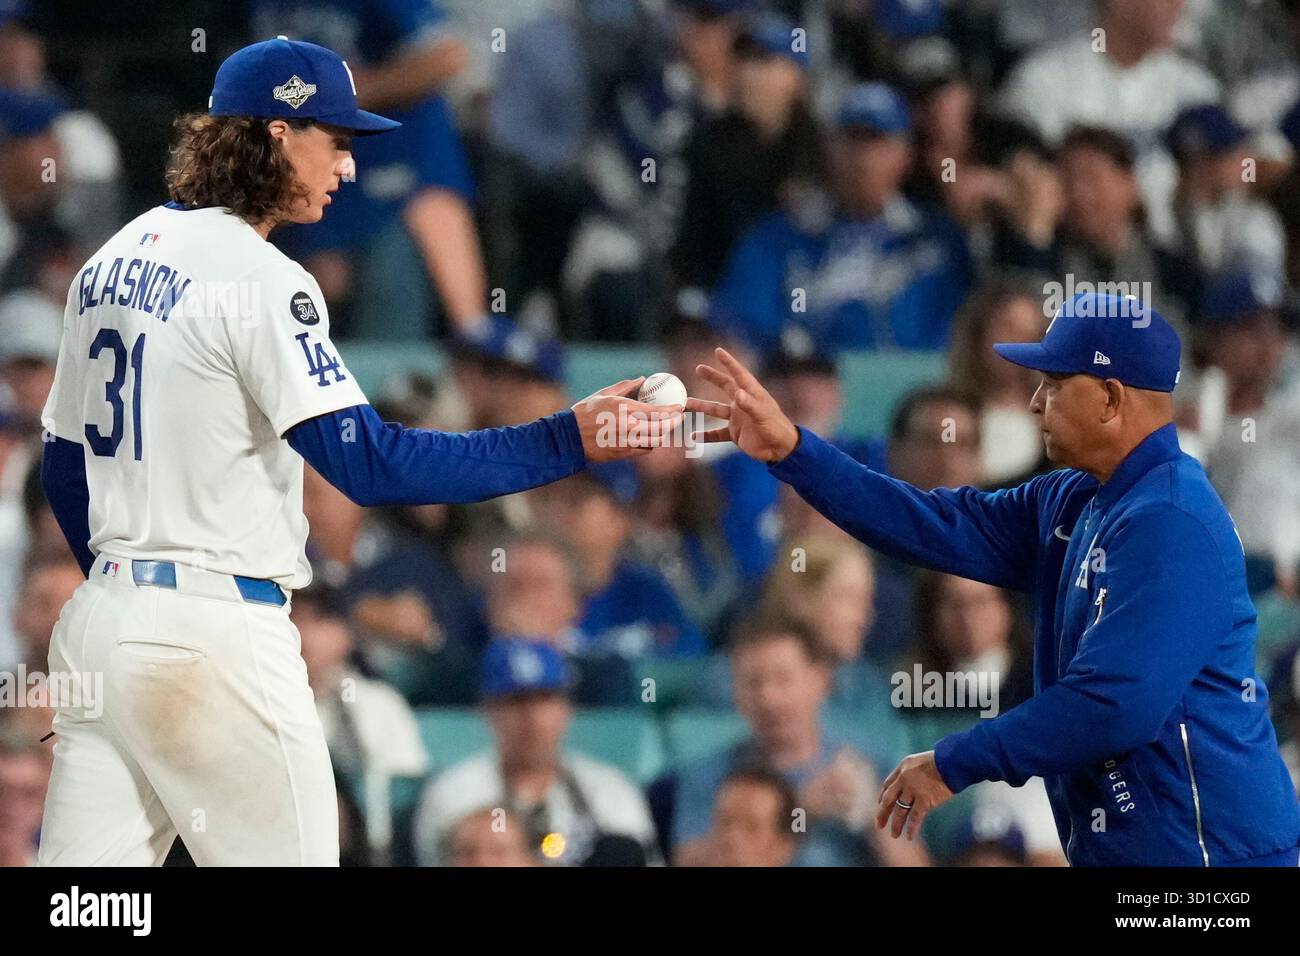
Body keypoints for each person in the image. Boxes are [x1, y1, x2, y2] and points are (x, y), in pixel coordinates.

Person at [35, 38, 681, 868]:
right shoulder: (263, 278)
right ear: (276, 133)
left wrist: (127, 592)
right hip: (214, 633)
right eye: (334, 141)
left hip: (103, 626)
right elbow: (369, 465)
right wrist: (566, 436)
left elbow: (60, 461)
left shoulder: (110, 259)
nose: (346, 168)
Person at [690, 291, 1300, 866]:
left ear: (1111, 399)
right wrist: (795, 451)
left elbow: (1114, 704)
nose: (1034, 401)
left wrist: (955, 761)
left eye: (1055, 385)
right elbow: (930, 525)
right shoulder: (1074, 498)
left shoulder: (1172, 521)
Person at [412, 638, 660, 866]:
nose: (533, 718)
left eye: (545, 699)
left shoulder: (609, 790)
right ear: (488, 710)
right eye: (517, 701)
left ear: (567, 709)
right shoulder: (455, 792)